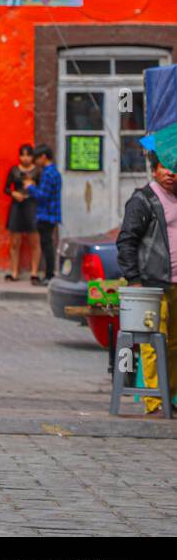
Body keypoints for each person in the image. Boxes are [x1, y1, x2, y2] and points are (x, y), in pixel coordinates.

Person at [117, 136, 177, 414]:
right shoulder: (143, 199)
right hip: (152, 285)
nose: (170, 173)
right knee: (155, 344)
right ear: (154, 169)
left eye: (174, 168)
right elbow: (126, 241)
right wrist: (135, 280)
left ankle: (170, 397)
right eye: (164, 167)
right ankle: (154, 401)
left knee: (175, 346)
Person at [22, 143, 61, 286]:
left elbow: (43, 195)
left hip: (46, 214)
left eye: (37, 158)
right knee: (47, 245)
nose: (36, 162)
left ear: (44, 157)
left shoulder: (48, 173)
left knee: (47, 246)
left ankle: (49, 275)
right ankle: (48, 274)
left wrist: (30, 187)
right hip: (51, 214)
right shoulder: (53, 172)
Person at [3, 143, 40, 281]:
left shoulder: (37, 171)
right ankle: (14, 271)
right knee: (14, 241)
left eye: (28, 155)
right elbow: (6, 188)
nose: (25, 158)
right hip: (17, 206)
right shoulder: (14, 170)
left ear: (32, 157)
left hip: (32, 205)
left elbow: (42, 190)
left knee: (34, 241)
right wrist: (13, 193)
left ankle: (34, 272)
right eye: (22, 155)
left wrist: (34, 186)